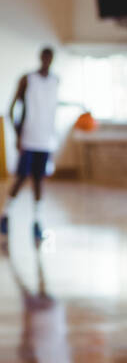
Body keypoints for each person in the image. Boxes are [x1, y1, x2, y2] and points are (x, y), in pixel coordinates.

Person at [4, 47, 60, 243]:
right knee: (21, 178)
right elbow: (11, 109)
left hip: (46, 140)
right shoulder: (27, 79)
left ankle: (37, 221)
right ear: (40, 58)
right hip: (29, 138)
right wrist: (18, 135)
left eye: (50, 58)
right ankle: (5, 214)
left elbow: (52, 108)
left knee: (39, 180)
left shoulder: (55, 81)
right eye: (44, 57)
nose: (47, 60)